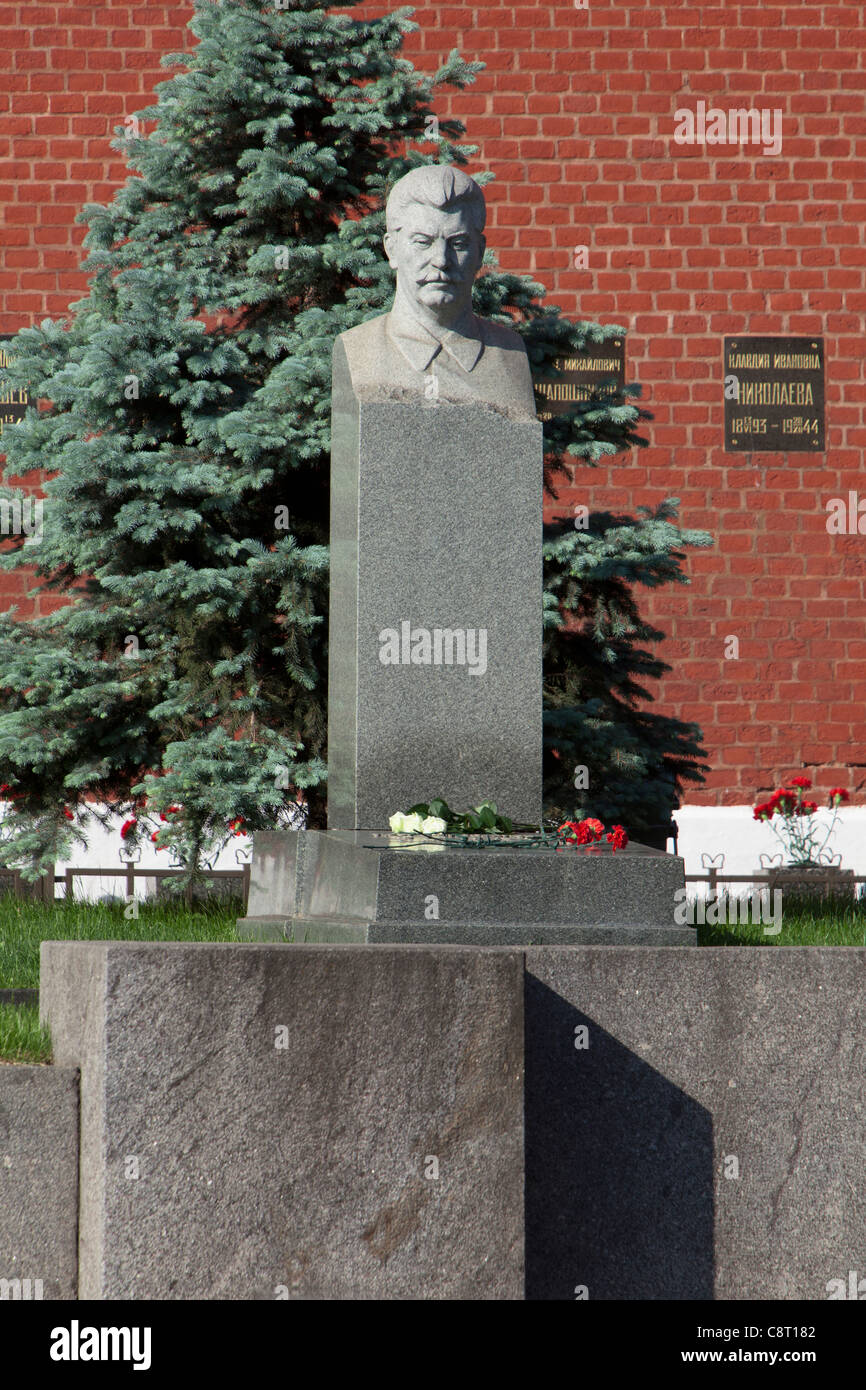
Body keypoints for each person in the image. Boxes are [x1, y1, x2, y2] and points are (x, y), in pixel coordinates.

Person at [335, 165, 537, 417]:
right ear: (392, 248)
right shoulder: (358, 351)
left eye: (459, 243)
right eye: (423, 242)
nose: (441, 260)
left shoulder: (509, 355)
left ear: (480, 252)